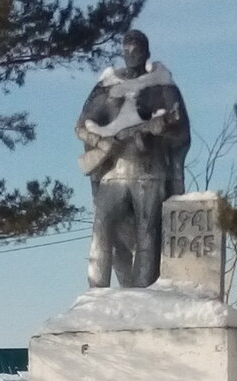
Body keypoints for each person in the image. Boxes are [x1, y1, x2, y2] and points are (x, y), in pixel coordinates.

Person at [76, 29, 191, 288]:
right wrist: (104, 141)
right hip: (113, 171)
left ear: (146, 52)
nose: (131, 54)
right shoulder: (106, 87)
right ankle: (96, 291)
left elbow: (181, 130)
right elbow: (82, 126)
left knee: (148, 231)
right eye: (127, 49)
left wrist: (161, 132)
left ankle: (143, 293)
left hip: (150, 170)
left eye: (136, 49)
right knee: (102, 225)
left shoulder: (162, 87)